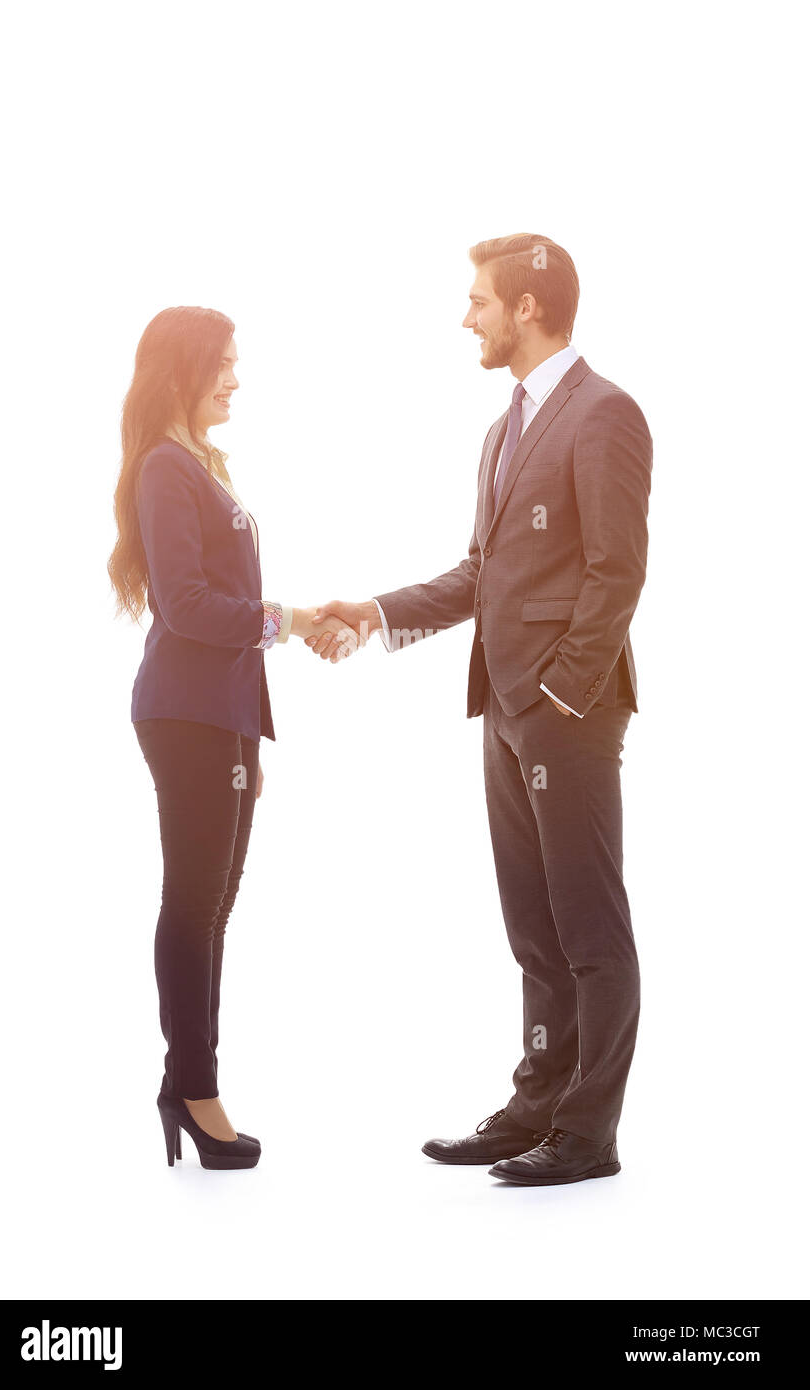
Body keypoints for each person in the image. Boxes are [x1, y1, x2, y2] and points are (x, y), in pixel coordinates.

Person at [306, 234, 652, 1186]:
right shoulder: (501, 430)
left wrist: (557, 690)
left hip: (564, 708)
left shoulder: (606, 413)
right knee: (532, 924)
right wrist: (374, 614)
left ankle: (589, 1135)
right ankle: (537, 1103)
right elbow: (480, 575)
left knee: (587, 922)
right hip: (499, 705)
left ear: (528, 306)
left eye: (478, 301)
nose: (468, 317)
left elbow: (615, 570)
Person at [108, 306, 356, 1171]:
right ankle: (193, 1087)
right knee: (192, 902)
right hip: (187, 714)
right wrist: (287, 618)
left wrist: (280, 641)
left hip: (224, 715)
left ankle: (191, 1081)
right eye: (223, 364)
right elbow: (186, 607)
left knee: (210, 906)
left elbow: (214, 606)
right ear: (182, 367)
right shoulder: (166, 470)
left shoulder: (195, 466)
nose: (236, 380)